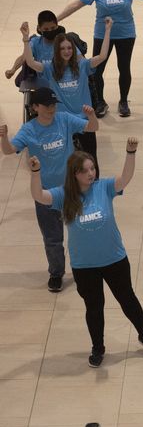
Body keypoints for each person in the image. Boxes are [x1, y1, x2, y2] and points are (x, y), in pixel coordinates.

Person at [30, 144, 143, 367]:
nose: (91, 173)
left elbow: (126, 178)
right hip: (84, 266)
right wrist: (36, 173)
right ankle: (98, 347)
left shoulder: (104, 187)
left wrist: (130, 153)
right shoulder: (63, 195)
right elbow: (39, 196)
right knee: (94, 307)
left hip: (114, 259)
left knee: (127, 300)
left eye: (93, 168)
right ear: (75, 174)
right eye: (86, 170)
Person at [0, 88, 98, 292]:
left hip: (71, 189)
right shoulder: (29, 130)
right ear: (35, 107)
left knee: (83, 230)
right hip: (45, 193)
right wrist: (4, 137)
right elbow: (10, 150)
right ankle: (56, 273)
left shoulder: (64, 119)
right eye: (47, 105)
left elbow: (92, 128)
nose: (52, 109)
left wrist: (91, 115)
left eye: (54, 104)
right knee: (52, 238)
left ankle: (86, 268)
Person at [20, 18, 111, 167]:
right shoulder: (49, 68)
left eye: (69, 48)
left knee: (90, 159)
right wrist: (25, 39)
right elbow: (30, 62)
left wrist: (107, 31)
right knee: (66, 161)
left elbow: (102, 56)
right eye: (62, 48)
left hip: (83, 119)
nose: (67, 51)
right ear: (57, 50)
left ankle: (93, 186)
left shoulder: (83, 65)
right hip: (62, 122)